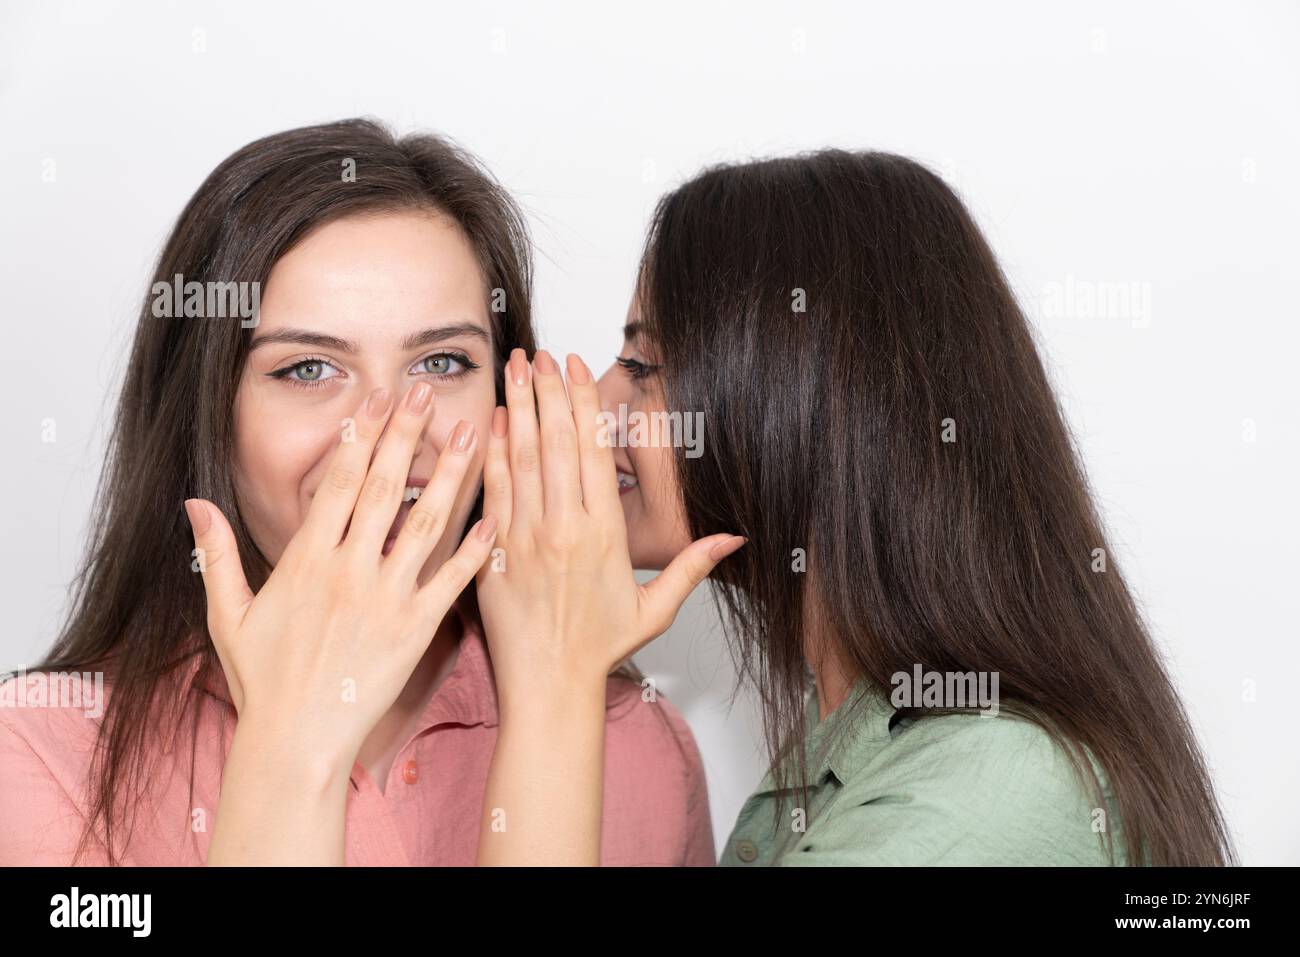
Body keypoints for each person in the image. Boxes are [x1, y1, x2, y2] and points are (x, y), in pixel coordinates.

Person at [472, 150, 1237, 866]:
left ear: (809, 409)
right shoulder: (861, 733)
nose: (595, 403)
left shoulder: (982, 796)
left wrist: (554, 672)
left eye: (643, 364)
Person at [0, 119, 714, 866]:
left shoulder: (642, 750)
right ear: (206, 417)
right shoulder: (44, 759)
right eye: (308, 369)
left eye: (441, 362)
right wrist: (294, 745)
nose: (386, 435)